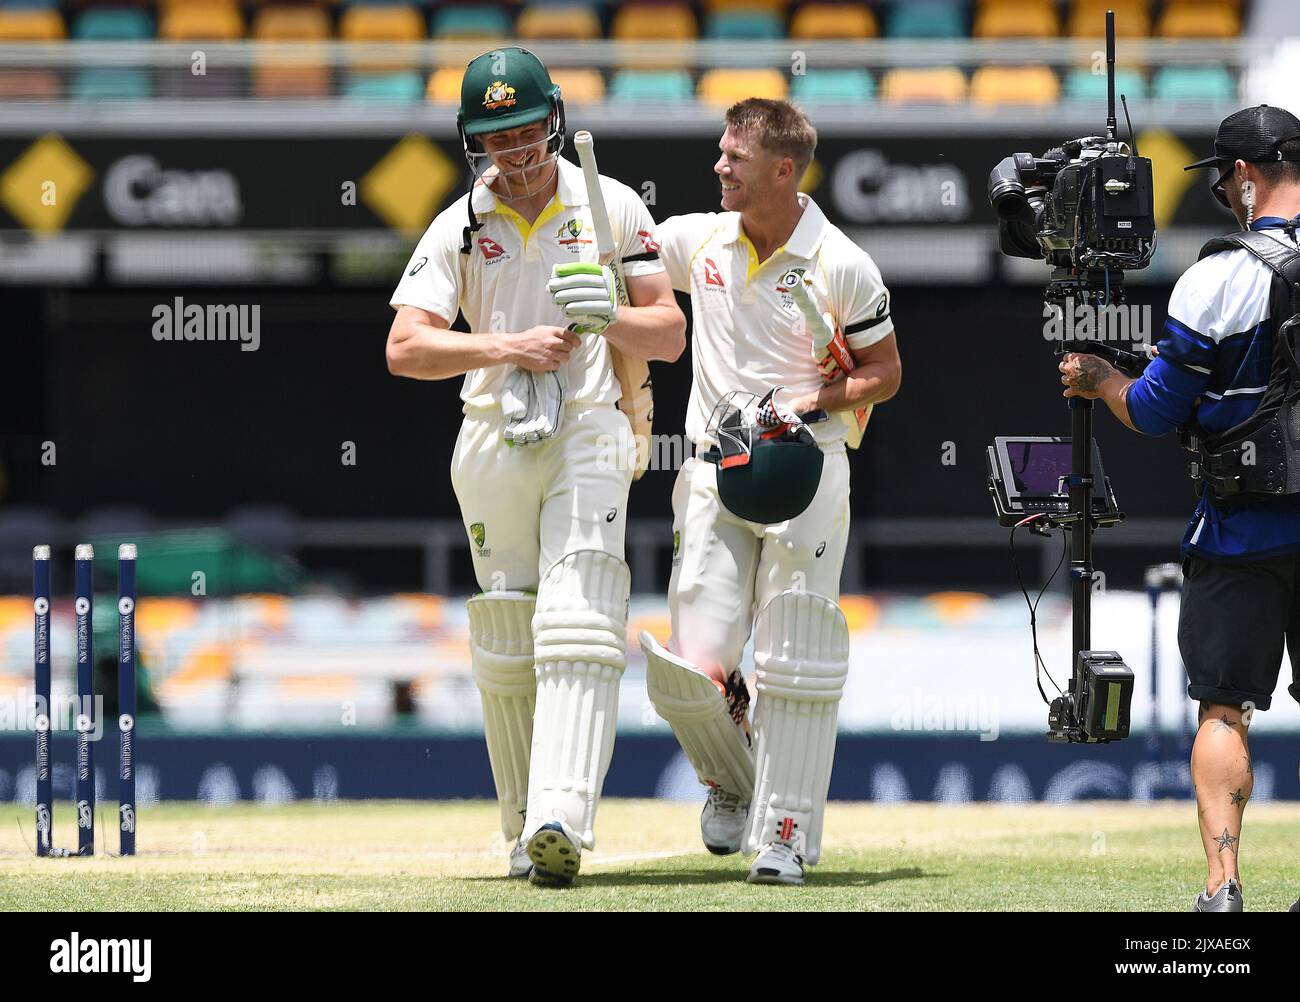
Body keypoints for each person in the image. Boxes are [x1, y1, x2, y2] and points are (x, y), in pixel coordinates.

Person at [386, 47, 684, 887]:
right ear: (470, 141)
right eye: (494, 138)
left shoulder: (609, 202)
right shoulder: (462, 225)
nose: (514, 154)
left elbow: (669, 334)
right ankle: (523, 831)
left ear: (553, 119)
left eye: (524, 132)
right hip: (491, 432)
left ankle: (564, 813)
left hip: (589, 422)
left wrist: (613, 316)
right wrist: (505, 346)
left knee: (581, 609)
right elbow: (404, 348)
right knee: (509, 634)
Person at [641, 99, 901, 885]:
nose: (719, 167)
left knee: (794, 654)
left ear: (783, 171)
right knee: (698, 666)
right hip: (714, 472)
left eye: (734, 158)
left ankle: (784, 833)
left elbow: (884, 374)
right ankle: (731, 776)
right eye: (721, 153)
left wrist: (805, 402)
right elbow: (623, 239)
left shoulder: (842, 263)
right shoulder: (702, 239)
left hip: (807, 471)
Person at [1059, 104, 1300, 913]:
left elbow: (1157, 412)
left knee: (1224, 706)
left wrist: (1101, 379)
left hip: (1239, 528)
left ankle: (1223, 888)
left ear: (1241, 177)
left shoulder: (1216, 275)